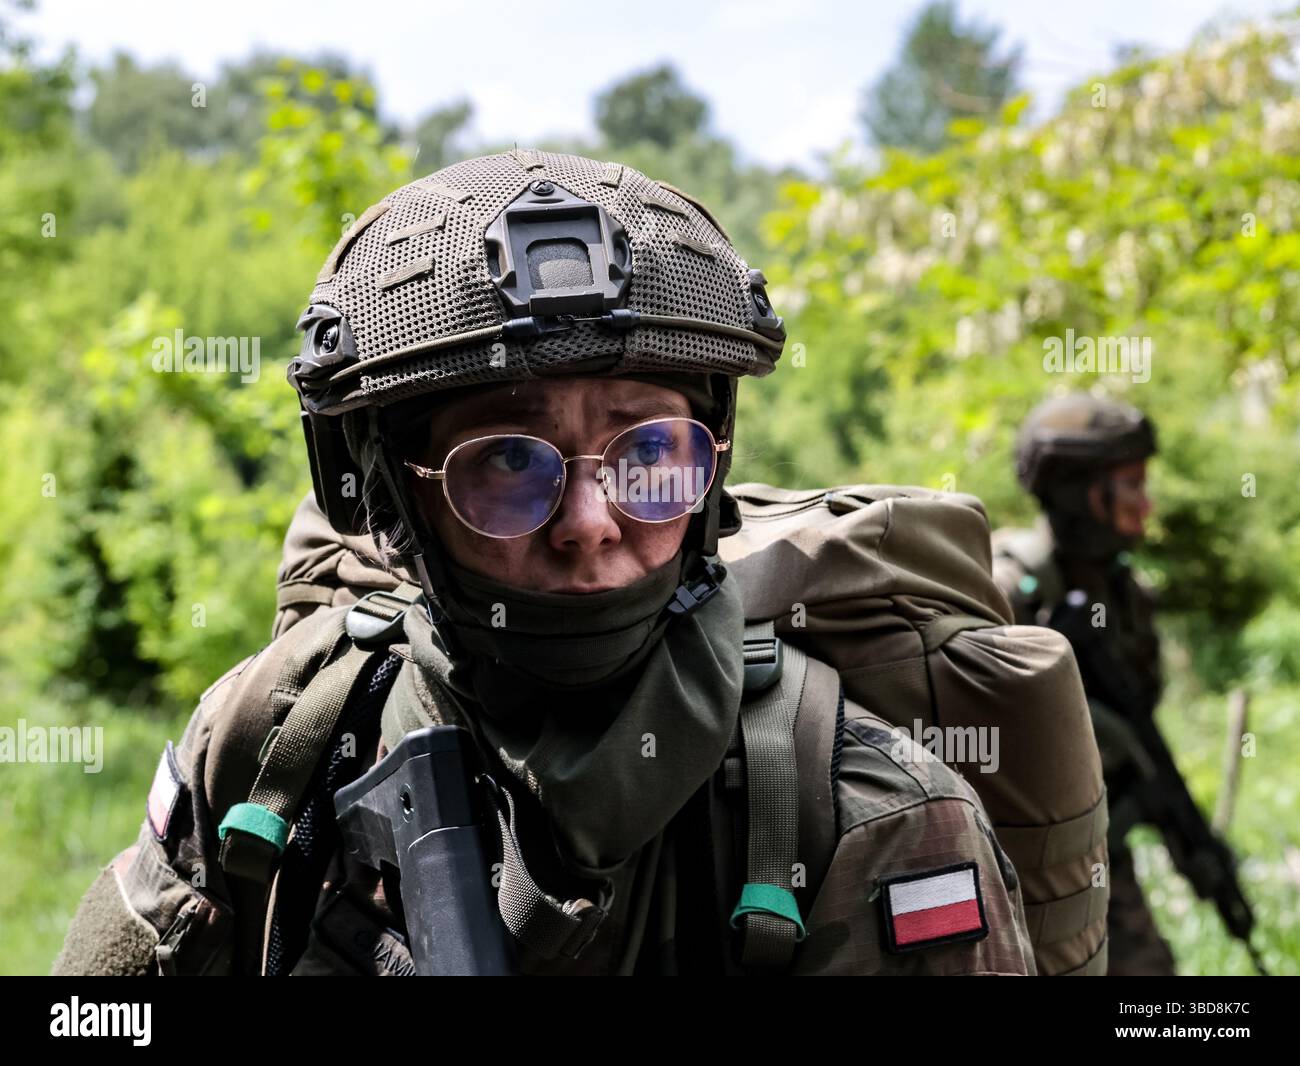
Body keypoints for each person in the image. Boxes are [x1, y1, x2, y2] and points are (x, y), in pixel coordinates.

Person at [54, 151, 1037, 975]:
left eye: (648, 454)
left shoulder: (869, 811)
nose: (587, 522)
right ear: (393, 499)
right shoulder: (280, 735)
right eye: (507, 462)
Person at [991, 392, 1175, 976]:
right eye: (1132, 485)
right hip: (1012, 869)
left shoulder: (1125, 595)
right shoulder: (1005, 588)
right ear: (1083, 493)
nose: (1146, 505)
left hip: (1096, 851)